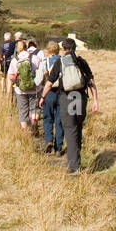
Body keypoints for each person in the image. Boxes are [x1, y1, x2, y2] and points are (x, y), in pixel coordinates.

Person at [39, 37, 98, 173]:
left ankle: (74, 167)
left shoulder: (59, 62)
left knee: (70, 130)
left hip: (67, 98)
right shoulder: (81, 61)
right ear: (75, 49)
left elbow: (49, 83)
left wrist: (42, 97)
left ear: (63, 49)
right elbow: (91, 81)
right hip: (80, 97)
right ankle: (76, 159)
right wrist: (95, 100)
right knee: (77, 128)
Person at [36, 39, 65, 154]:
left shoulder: (45, 62)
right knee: (59, 120)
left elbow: (38, 80)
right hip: (62, 93)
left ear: (48, 50)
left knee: (48, 118)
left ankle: (49, 140)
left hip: (48, 93)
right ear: (58, 51)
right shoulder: (63, 61)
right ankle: (58, 147)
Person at [9, 40, 40, 134]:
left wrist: (18, 82)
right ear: (26, 47)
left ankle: (24, 131)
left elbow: (11, 76)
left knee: (23, 110)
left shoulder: (15, 59)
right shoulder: (35, 58)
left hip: (20, 90)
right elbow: (40, 73)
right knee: (34, 108)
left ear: (17, 49)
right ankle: (34, 124)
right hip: (34, 89)